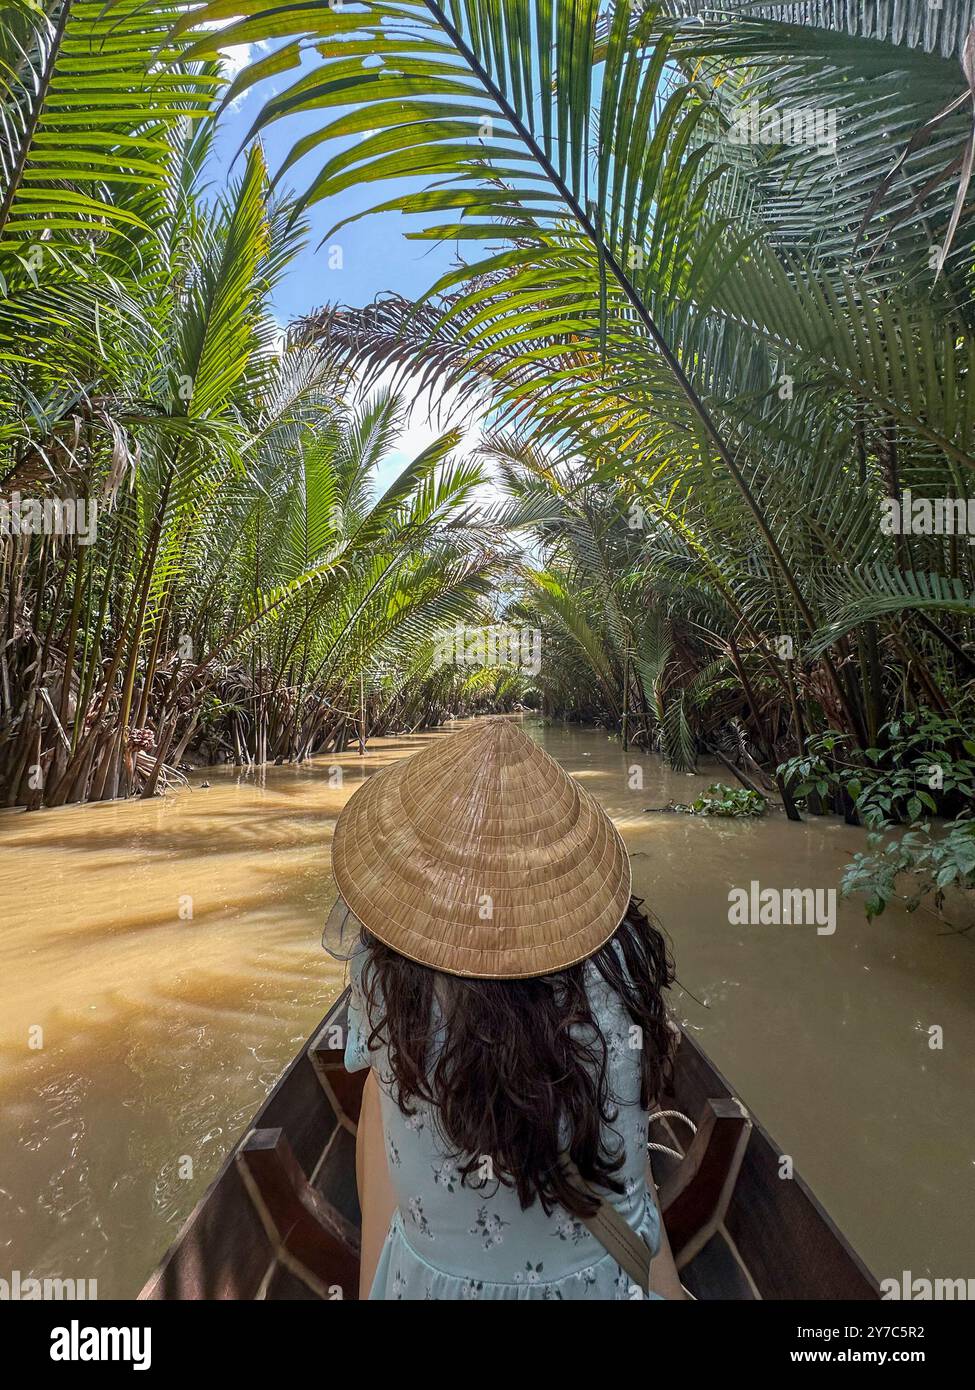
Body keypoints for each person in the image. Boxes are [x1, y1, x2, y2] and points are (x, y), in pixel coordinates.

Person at [325, 718, 685, 1300]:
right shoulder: (625, 958)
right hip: (609, 1283)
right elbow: (634, 1136)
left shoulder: (383, 976)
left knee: (375, 1089)